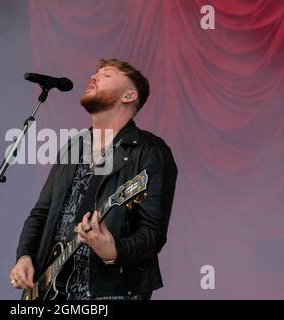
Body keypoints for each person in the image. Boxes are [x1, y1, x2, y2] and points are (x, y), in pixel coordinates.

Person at [10, 58, 178, 300]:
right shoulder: (74, 147)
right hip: (50, 291)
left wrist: (113, 251)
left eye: (107, 74)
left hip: (112, 293)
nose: (95, 77)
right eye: (96, 73)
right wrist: (25, 256)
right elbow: (41, 213)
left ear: (129, 96)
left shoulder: (149, 151)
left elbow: (152, 232)